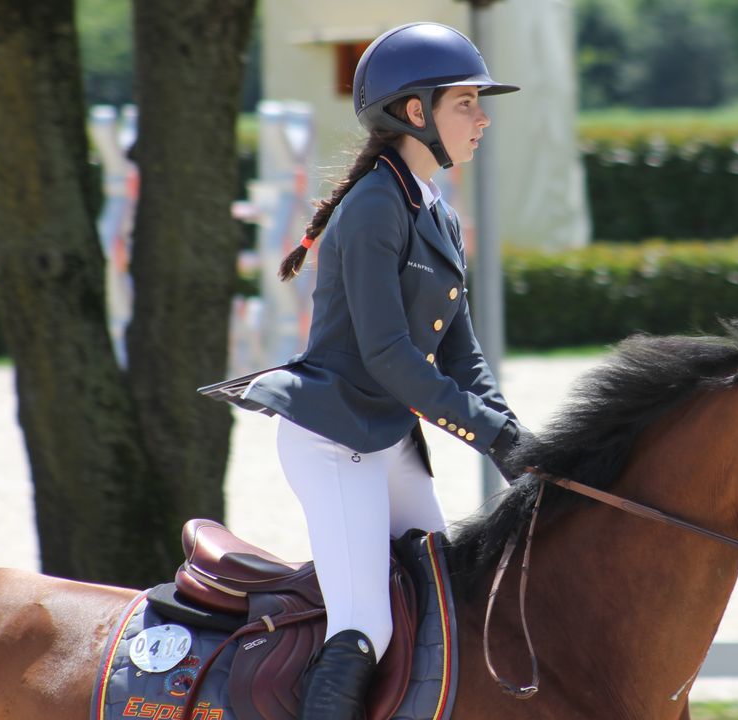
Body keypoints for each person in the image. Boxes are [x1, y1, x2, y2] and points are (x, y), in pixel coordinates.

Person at [211, 22, 528, 720]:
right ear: (415, 112)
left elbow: (461, 358)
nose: (483, 117)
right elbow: (390, 360)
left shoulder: (435, 210)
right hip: (333, 442)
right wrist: (494, 439)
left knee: (445, 597)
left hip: (384, 440)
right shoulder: (375, 208)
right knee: (367, 626)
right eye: (466, 102)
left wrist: (519, 441)